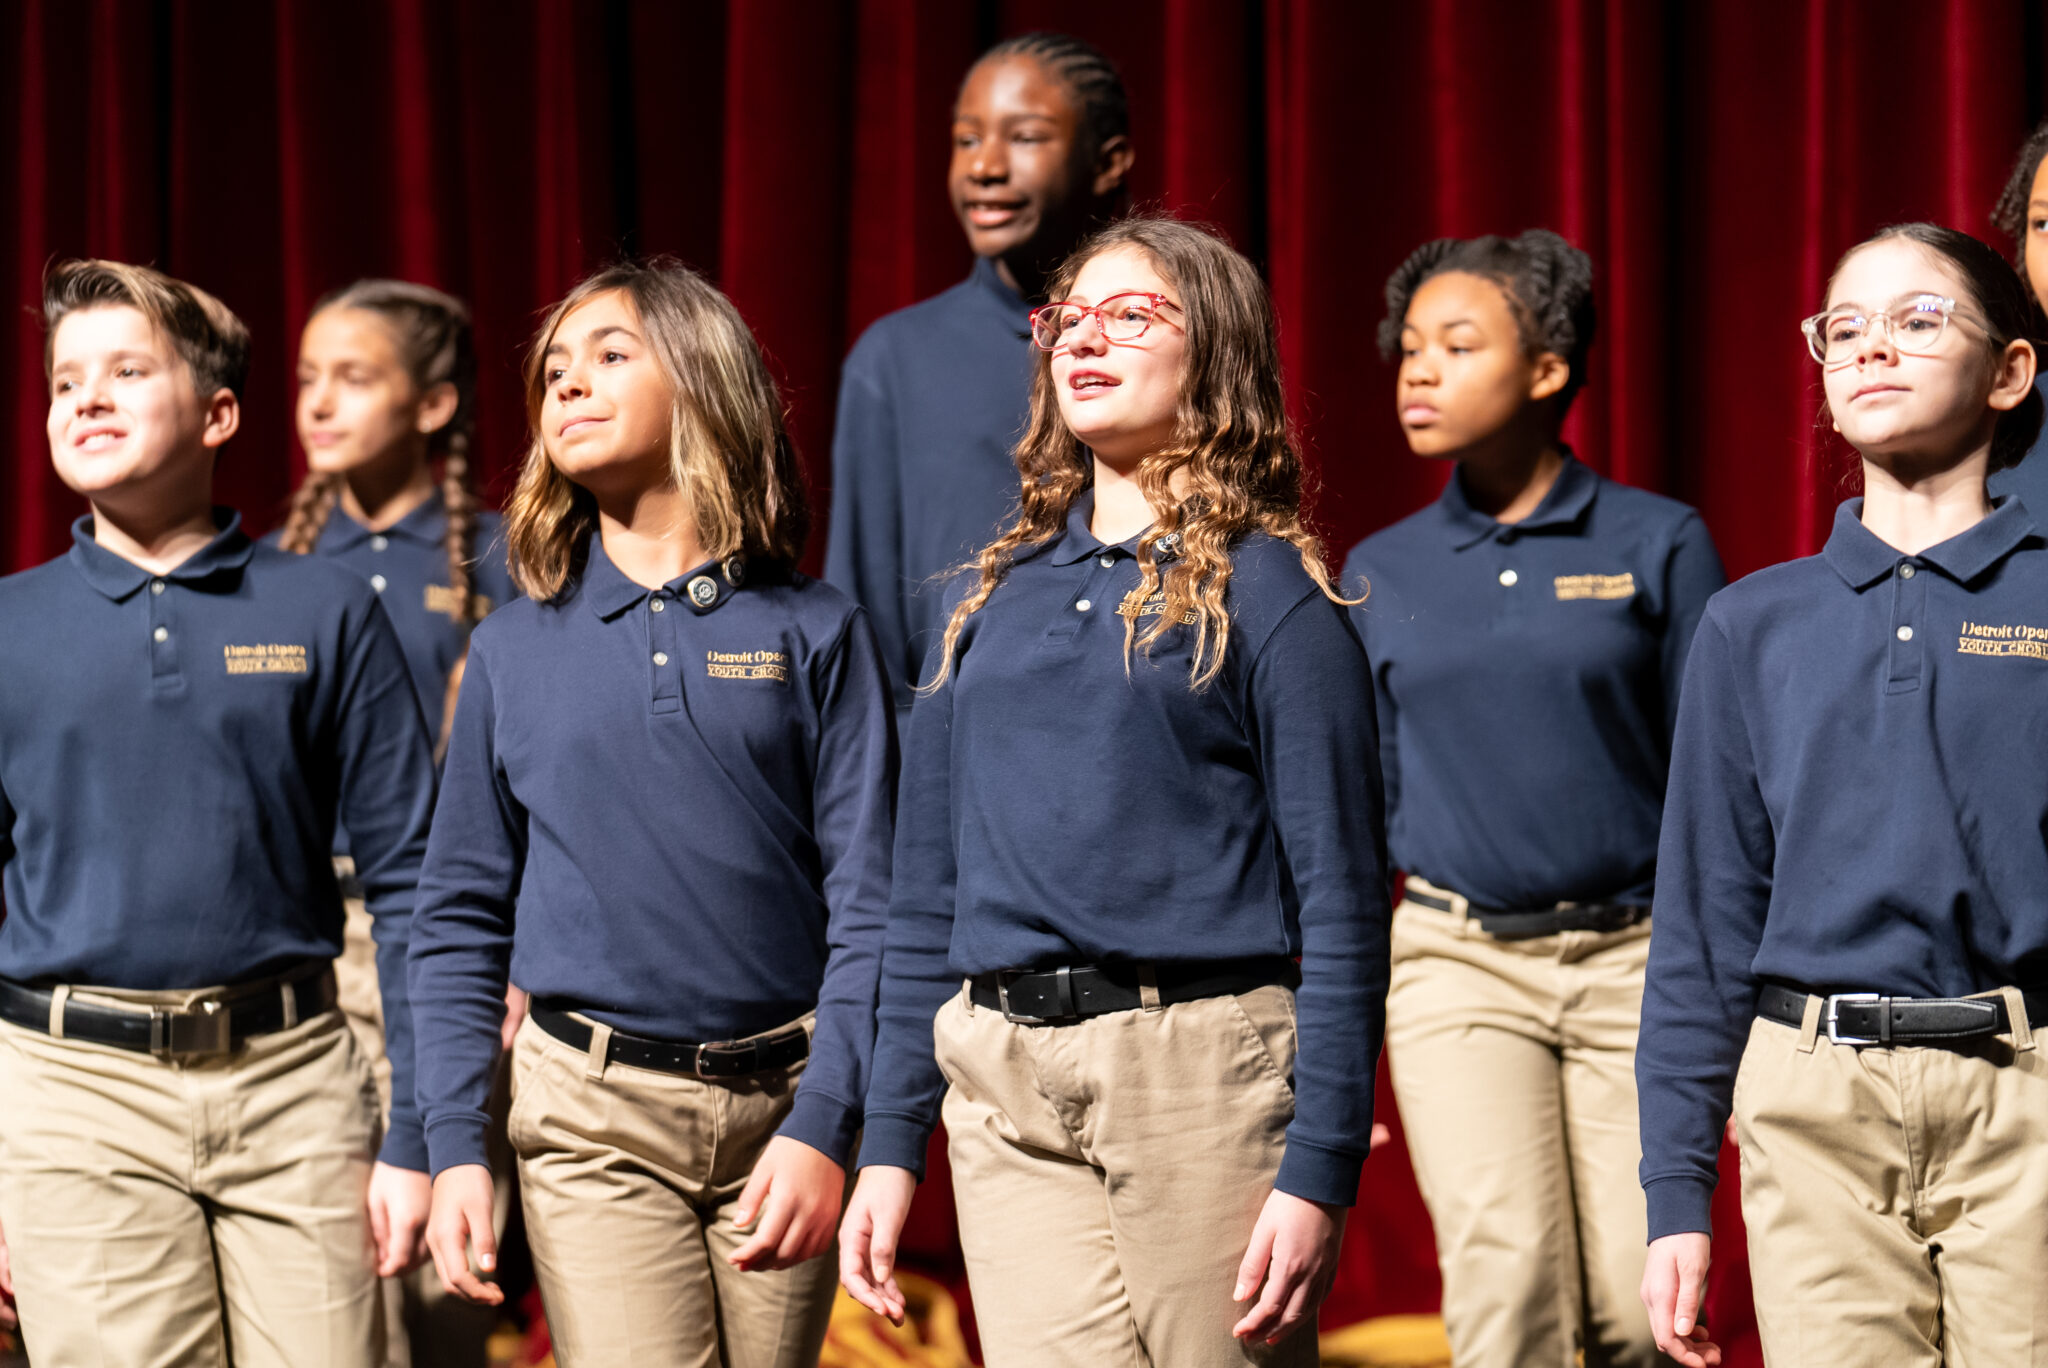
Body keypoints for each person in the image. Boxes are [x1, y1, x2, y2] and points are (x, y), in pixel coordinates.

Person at [839, 215, 1390, 1368]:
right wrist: (887, 1141)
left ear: (1216, 355)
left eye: (1131, 315)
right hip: (1002, 1076)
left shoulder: (1272, 598)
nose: (1085, 338)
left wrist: (1320, 1165)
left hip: (1195, 1071)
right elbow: (921, 894)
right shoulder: (989, 605)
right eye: (1066, 319)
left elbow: (1340, 901)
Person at [410, 259, 896, 1368]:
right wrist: (451, 1147)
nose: (568, 385)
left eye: (609, 354)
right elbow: (457, 919)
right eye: (554, 371)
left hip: (786, 1103)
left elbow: (873, 906)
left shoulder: (815, 632)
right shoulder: (511, 650)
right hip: (589, 1116)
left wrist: (825, 1123)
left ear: (704, 382)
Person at [0, 259, 436, 1365]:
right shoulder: (9, 626)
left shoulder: (327, 611)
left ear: (219, 413)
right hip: (72, 1102)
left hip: (297, 1089)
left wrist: (424, 1130)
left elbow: (418, 890)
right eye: (64, 382)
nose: (87, 398)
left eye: (127, 371)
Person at [1638, 223, 2048, 1367]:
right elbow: (1701, 930)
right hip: (1811, 1098)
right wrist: (1674, 1196)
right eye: (1844, 329)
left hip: (2026, 1090)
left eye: (1918, 321)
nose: (1871, 349)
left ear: (2008, 373)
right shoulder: (1749, 625)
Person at [1342, 231, 1723, 1368]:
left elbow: (1714, 783)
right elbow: (1355, 818)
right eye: (1408, 348)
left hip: (1633, 965)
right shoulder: (1378, 569)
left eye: (1456, 346)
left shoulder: (1658, 543)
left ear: (1546, 369)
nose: (1417, 370)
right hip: (1456, 964)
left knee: (1632, 1305)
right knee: (1506, 1293)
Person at [273, 279, 520, 1367]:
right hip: (315, 947)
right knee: (337, 1267)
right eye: (307, 379)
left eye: (353, 378)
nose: (320, 403)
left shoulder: (501, 559)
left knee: (442, 1282)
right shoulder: (273, 574)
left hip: (452, 944)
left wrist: (517, 953)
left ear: (430, 406)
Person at [825, 31, 1134, 712]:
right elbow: (864, 618)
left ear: (1108, 162)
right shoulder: (896, 361)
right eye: (966, 140)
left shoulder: (1162, 344)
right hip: (957, 760)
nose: (985, 166)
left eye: (1024, 137)